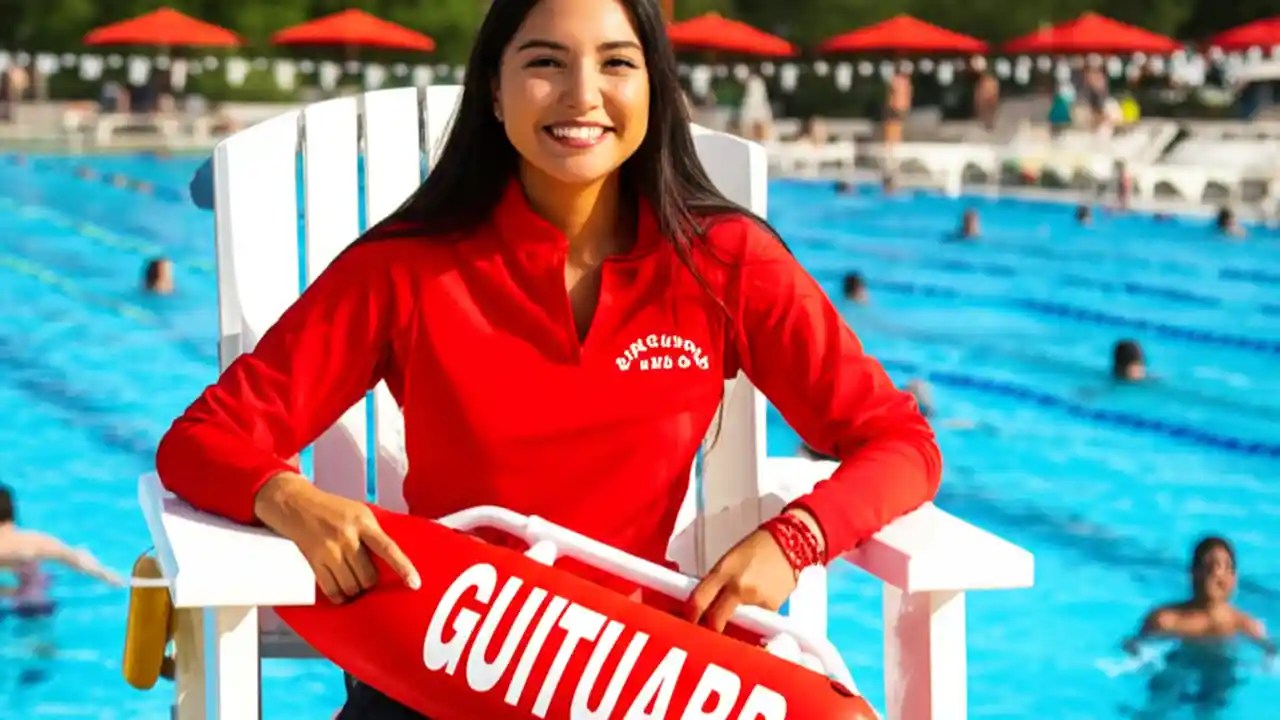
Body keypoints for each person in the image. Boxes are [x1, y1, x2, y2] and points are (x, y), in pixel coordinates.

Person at [154, 0, 941, 716]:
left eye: (615, 62)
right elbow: (200, 442)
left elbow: (900, 443)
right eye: (544, 62)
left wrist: (796, 538)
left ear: (654, 90)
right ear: (494, 93)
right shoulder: (407, 270)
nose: (581, 95)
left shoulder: (724, 262)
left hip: (638, 672)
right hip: (449, 663)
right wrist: (289, 499)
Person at [1122, 537, 1273, 716]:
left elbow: (1271, 653)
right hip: (1177, 664)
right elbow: (1134, 645)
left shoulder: (1246, 625)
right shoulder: (1166, 619)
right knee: (1162, 698)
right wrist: (1139, 657)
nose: (1217, 573)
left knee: (1212, 701)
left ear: (1234, 578)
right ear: (1192, 573)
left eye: (1226, 567)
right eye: (1209, 566)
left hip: (1220, 667)